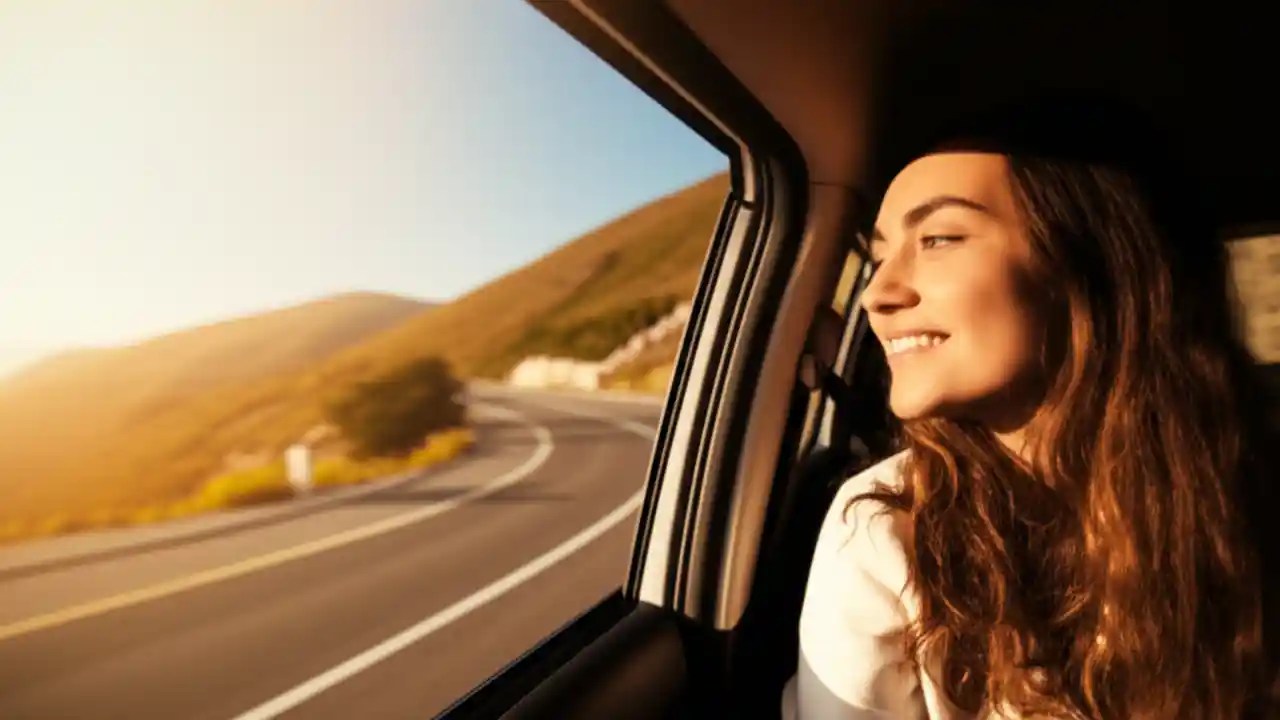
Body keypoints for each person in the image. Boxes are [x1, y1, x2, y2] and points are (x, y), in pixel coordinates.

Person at [781, 104, 1278, 719]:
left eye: (937, 239)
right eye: (879, 258)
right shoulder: (887, 528)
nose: (877, 295)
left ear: (1081, 266)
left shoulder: (1246, 492)